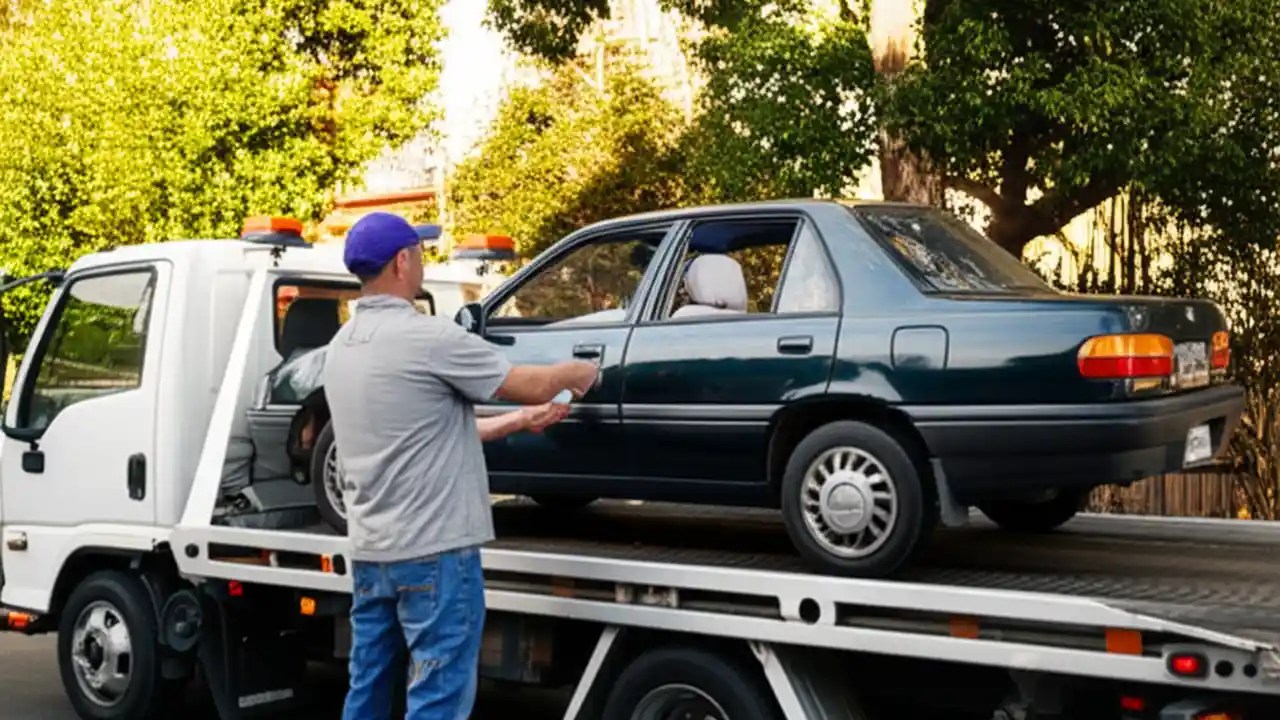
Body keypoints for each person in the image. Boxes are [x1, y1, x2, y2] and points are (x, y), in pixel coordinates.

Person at [322, 212, 598, 719]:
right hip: (435, 554)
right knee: (437, 698)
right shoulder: (426, 338)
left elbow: (421, 434)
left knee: (367, 689)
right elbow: (529, 380)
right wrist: (584, 369)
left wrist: (518, 422)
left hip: (372, 555)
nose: (424, 263)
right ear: (402, 262)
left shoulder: (341, 348)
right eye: (421, 253)